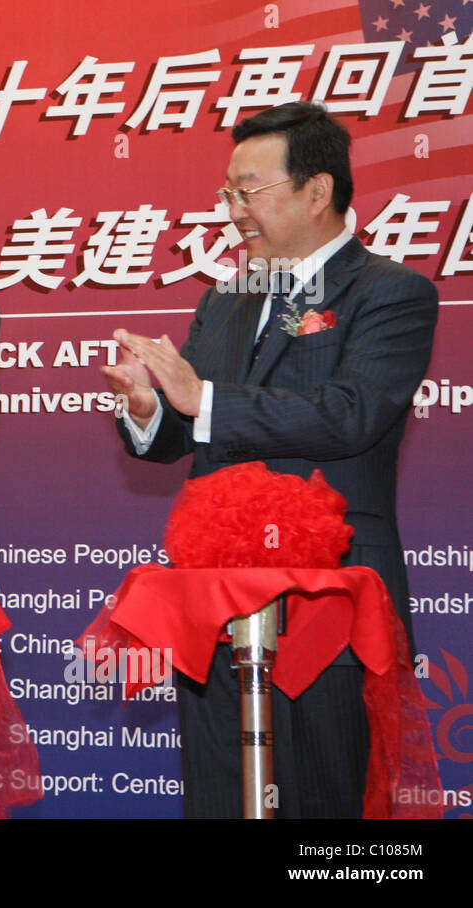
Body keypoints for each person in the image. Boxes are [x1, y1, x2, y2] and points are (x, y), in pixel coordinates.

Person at [102, 102, 438, 818]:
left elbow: (354, 414)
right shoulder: (226, 300)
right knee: (224, 795)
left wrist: (203, 398)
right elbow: (185, 432)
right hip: (215, 601)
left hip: (332, 596)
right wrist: (147, 408)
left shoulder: (391, 293)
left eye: (248, 190)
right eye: (228, 193)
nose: (233, 210)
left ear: (317, 192)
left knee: (328, 798)